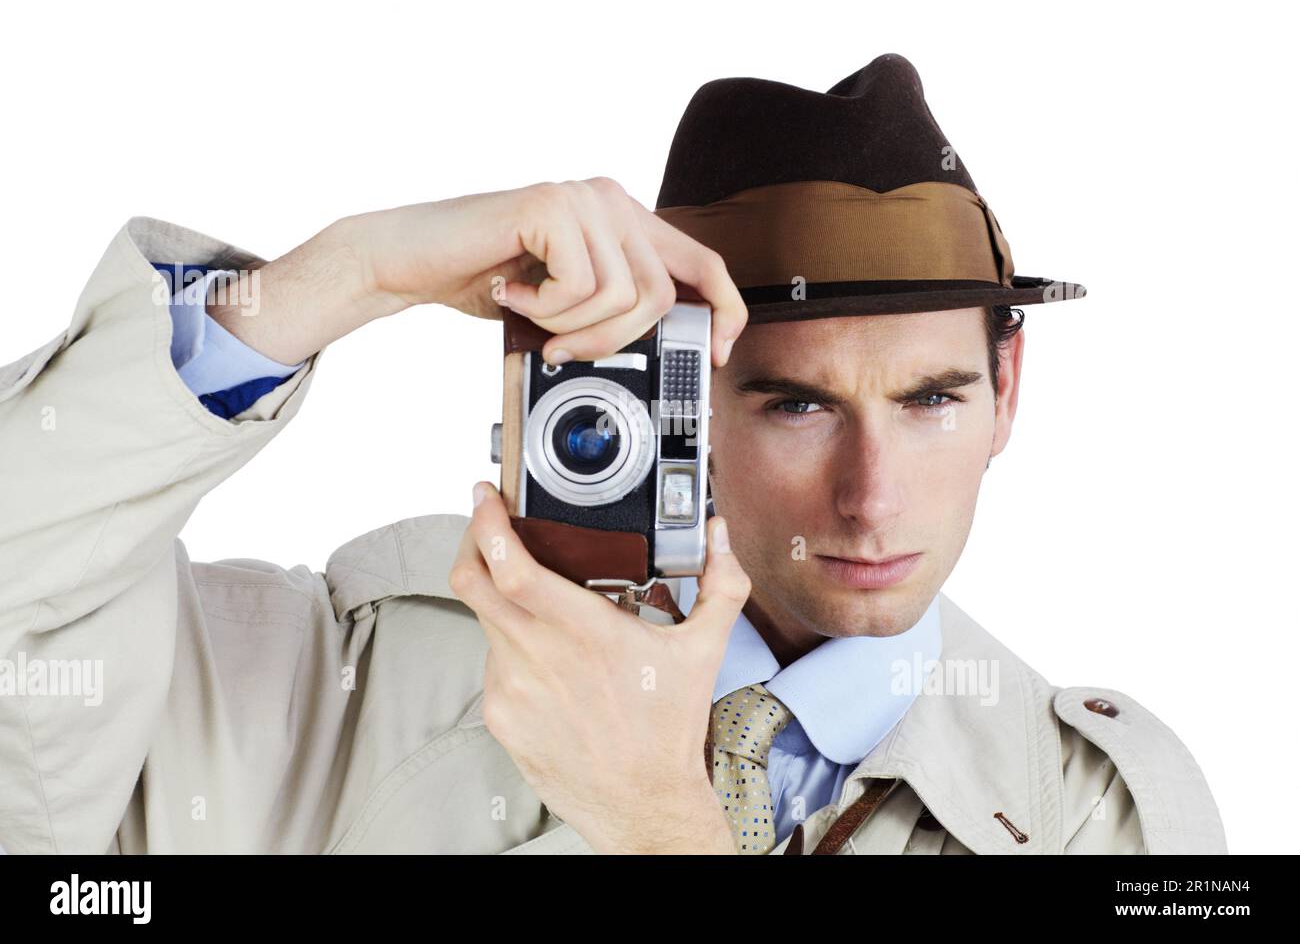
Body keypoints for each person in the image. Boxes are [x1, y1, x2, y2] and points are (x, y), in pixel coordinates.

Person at [0, 54, 1225, 855]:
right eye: (793, 405)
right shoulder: (346, 684)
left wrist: (654, 819)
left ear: (1007, 389)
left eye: (930, 399)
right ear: (669, 396)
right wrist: (340, 273)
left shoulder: (1106, 818)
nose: (870, 496)